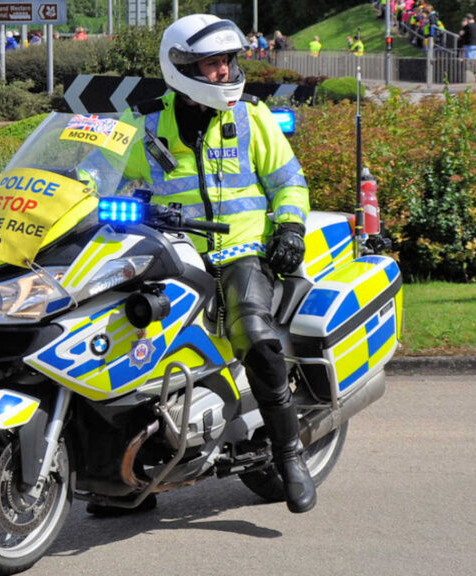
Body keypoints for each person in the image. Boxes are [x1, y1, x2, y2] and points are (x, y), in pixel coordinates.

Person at [120, 14, 316, 514]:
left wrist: (290, 228)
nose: (224, 72)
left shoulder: (251, 117)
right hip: (169, 255)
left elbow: (289, 182)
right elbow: (106, 181)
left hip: (239, 251)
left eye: (228, 61)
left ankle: (289, 455)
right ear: (181, 68)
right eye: (212, 64)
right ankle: (124, 477)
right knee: (120, 340)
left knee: (254, 333)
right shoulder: (145, 124)